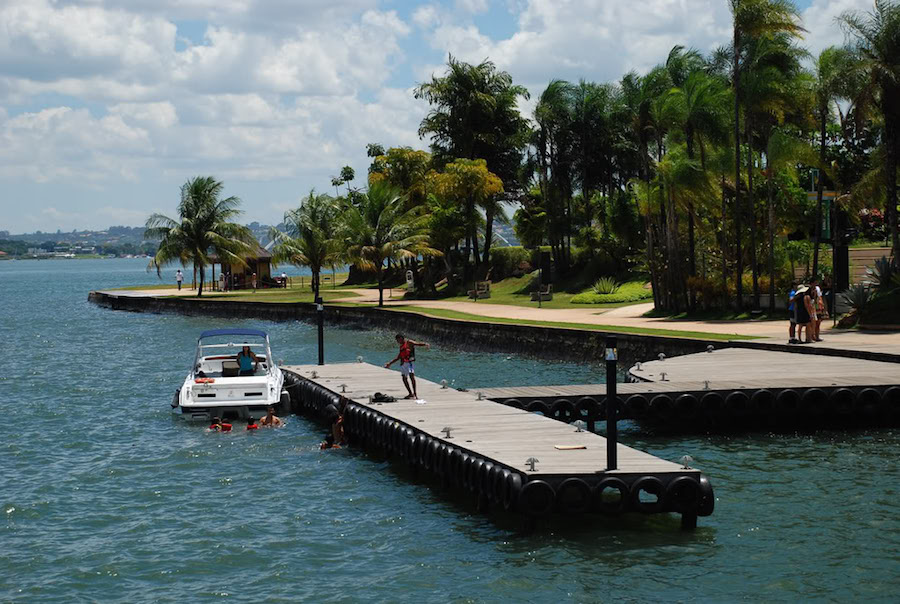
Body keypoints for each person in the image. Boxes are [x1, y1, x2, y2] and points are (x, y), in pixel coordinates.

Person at [385, 333, 429, 399]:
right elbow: (398, 357)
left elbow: (417, 344)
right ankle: (410, 393)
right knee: (404, 378)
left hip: (409, 363)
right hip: (403, 364)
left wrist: (425, 344)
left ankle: (415, 393)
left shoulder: (409, 342)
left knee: (411, 376)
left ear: (401, 338)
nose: (397, 342)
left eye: (398, 340)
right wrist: (390, 363)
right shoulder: (401, 346)